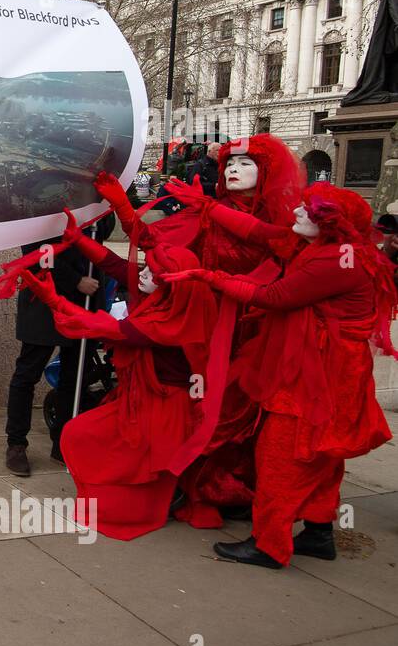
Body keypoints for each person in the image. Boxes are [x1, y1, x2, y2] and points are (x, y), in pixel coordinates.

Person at [165, 182, 397, 568]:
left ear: (330, 222)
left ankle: (268, 544)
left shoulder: (337, 259)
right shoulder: (334, 249)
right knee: (320, 454)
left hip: (318, 374)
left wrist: (209, 277)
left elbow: (273, 296)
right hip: (331, 369)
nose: (297, 214)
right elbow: (258, 233)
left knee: (280, 455)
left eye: (307, 210)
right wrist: (208, 205)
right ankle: (319, 533)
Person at [95, 135, 304, 528]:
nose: (232, 170)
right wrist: (122, 206)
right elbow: (158, 245)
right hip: (210, 325)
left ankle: (243, 489)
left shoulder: (285, 218)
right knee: (209, 406)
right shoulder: (207, 212)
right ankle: (201, 487)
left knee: (252, 409)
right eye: (229, 164)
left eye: (245, 164)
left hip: (260, 328)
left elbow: (273, 242)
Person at [20, 210, 217, 540]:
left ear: (169, 282)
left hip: (164, 410)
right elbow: (114, 266)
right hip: (144, 399)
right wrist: (82, 237)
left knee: (110, 450)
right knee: (83, 435)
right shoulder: (163, 300)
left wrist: (55, 301)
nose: (142, 274)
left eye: (152, 271)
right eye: (145, 266)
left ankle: (161, 498)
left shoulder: (168, 320)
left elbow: (110, 328)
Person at [4, 217, 108, 476]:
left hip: (84, 300)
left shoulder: (91, 198)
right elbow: (36, 251)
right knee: (28, 373)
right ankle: (16, 443)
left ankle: (63, 441)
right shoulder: (39, 201)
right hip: (45, 298)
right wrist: (74, 280)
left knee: (75, 377)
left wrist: (102, 212)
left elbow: (103, 232)